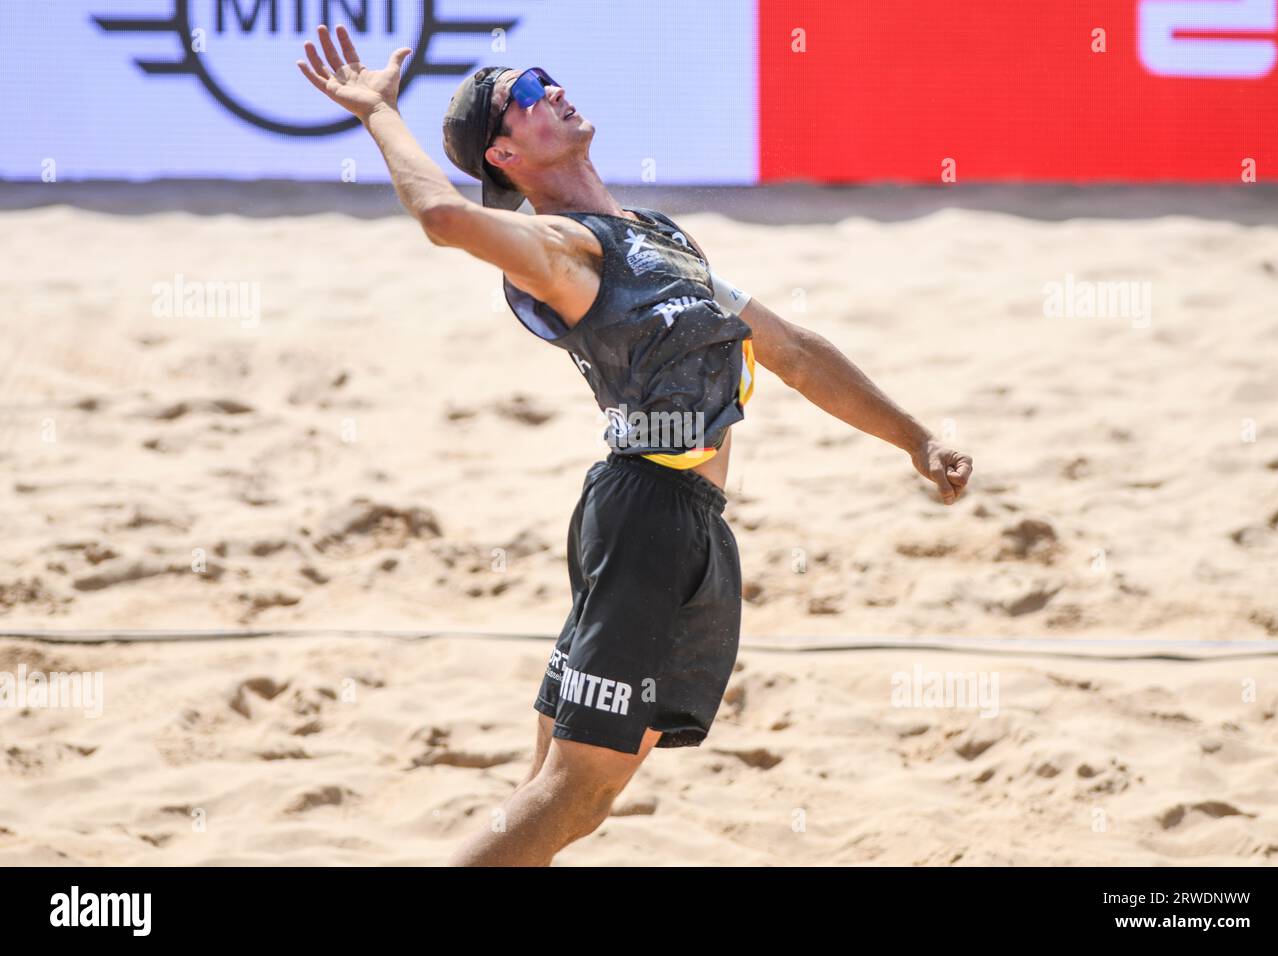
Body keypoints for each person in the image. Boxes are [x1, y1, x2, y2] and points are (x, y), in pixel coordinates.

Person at [297, 24, 973, 866]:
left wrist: (916, 437)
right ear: (504, 152)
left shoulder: (654, 233)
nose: (554, 89)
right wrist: (378, 113)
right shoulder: (562, 249)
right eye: (528, 93)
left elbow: (791, 351)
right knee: (574, 791)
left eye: (545, 75)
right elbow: (442, 216)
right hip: (649, 519)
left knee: (557, 790)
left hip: (660, 514)